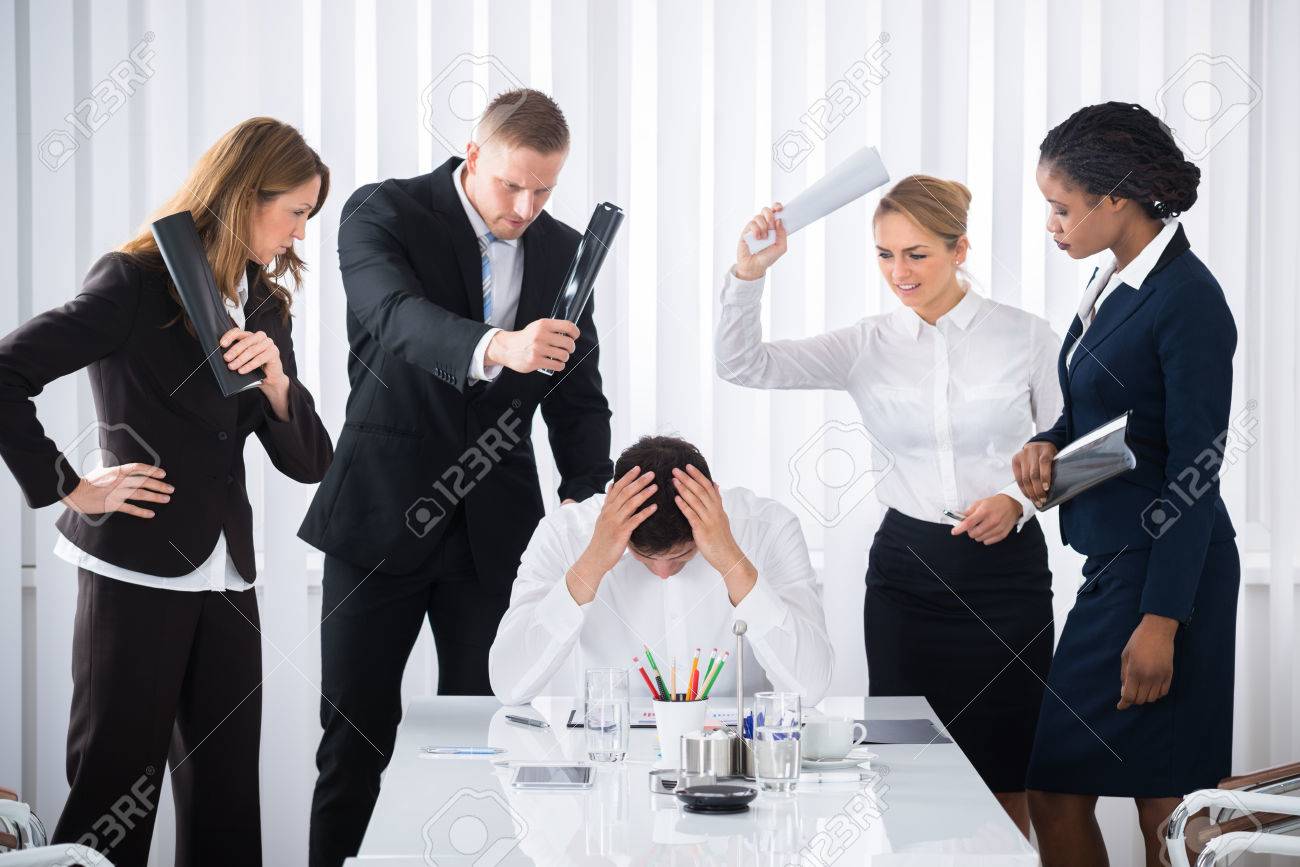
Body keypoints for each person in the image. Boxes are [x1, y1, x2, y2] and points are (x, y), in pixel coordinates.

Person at [0, 117, 332, 867]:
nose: (300, 233)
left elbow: (310, 463)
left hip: (226, 576)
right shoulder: (133, 282)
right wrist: (69, 486)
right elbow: (6, 373)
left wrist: (276, 382)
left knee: (226, 800)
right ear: (247, 196)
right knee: (113, 798)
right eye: (295, 212)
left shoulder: (265, 305)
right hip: (134, 571)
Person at [299, 89, 613, 867]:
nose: (527, 207)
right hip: (378, 516)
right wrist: (501, 346)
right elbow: (393, 315)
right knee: (353, 742)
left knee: (495, 736)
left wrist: (586, 497)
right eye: (512, 185)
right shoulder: (383, 212)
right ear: (473, 155)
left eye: (545, 190)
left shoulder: (565, 249)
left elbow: (576, 395)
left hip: (496, 533)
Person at [715, 175, 1062, 836]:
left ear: (960, 250)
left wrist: (1018, 499)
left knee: (1007, 774)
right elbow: (742, 365)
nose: (899, 271)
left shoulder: (1027, 337)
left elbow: (1068, 446)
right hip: (909, 578)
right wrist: (749, 273)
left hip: (1006, 577)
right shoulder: (865, 344)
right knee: (907, 774)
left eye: (917, 254)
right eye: (884, 254)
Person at [1014, 102, 1239, 867]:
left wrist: (1162, 621)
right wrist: (1048, 443)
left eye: (1061, 207)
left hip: (1167, 573)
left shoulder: (1188, 299)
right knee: (1113, 793)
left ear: (1115, 198)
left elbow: (1195, 469)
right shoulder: (1114, 278)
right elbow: (1106, 410)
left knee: (1157, 801)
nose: (1051, 224)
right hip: (1118, 560)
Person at [489, 435, 833, 705]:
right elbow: (509, 685)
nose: (664, 573)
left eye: (683, 556)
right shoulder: (563, 534)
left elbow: (810, 688)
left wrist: (730, 557)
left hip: (733, 753)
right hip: (612, 749)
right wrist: (593, 561)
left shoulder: (769, 527)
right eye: (644, 556)